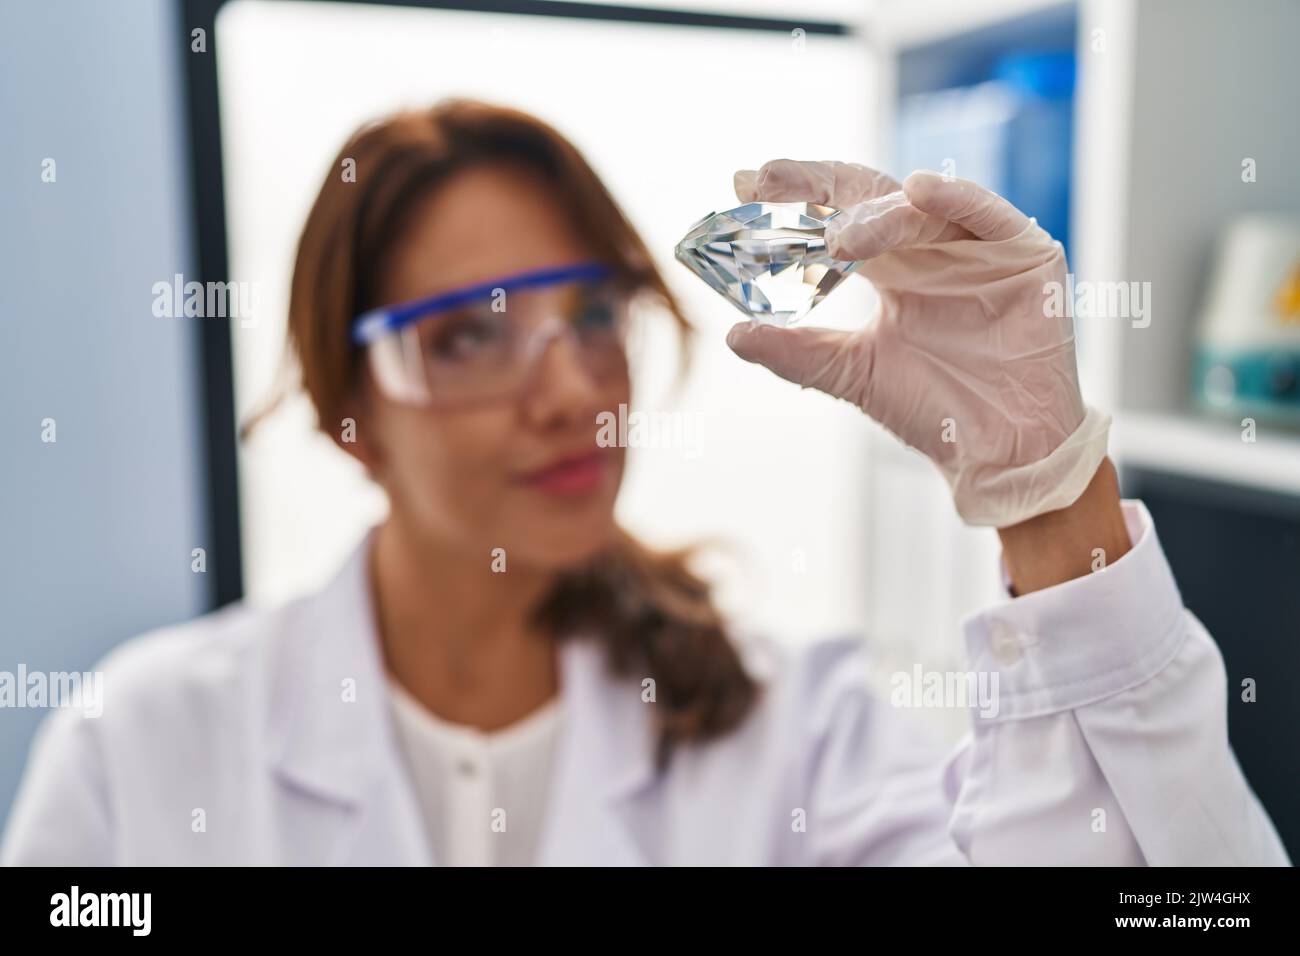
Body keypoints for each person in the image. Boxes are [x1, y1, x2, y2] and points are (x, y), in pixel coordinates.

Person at [1, 100, 1288, 866]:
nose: (568, 389)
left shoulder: (796, 729)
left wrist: (1047, 490)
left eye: (594, 312)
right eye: (472, 332)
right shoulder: (140, 747)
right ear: (348, 417)